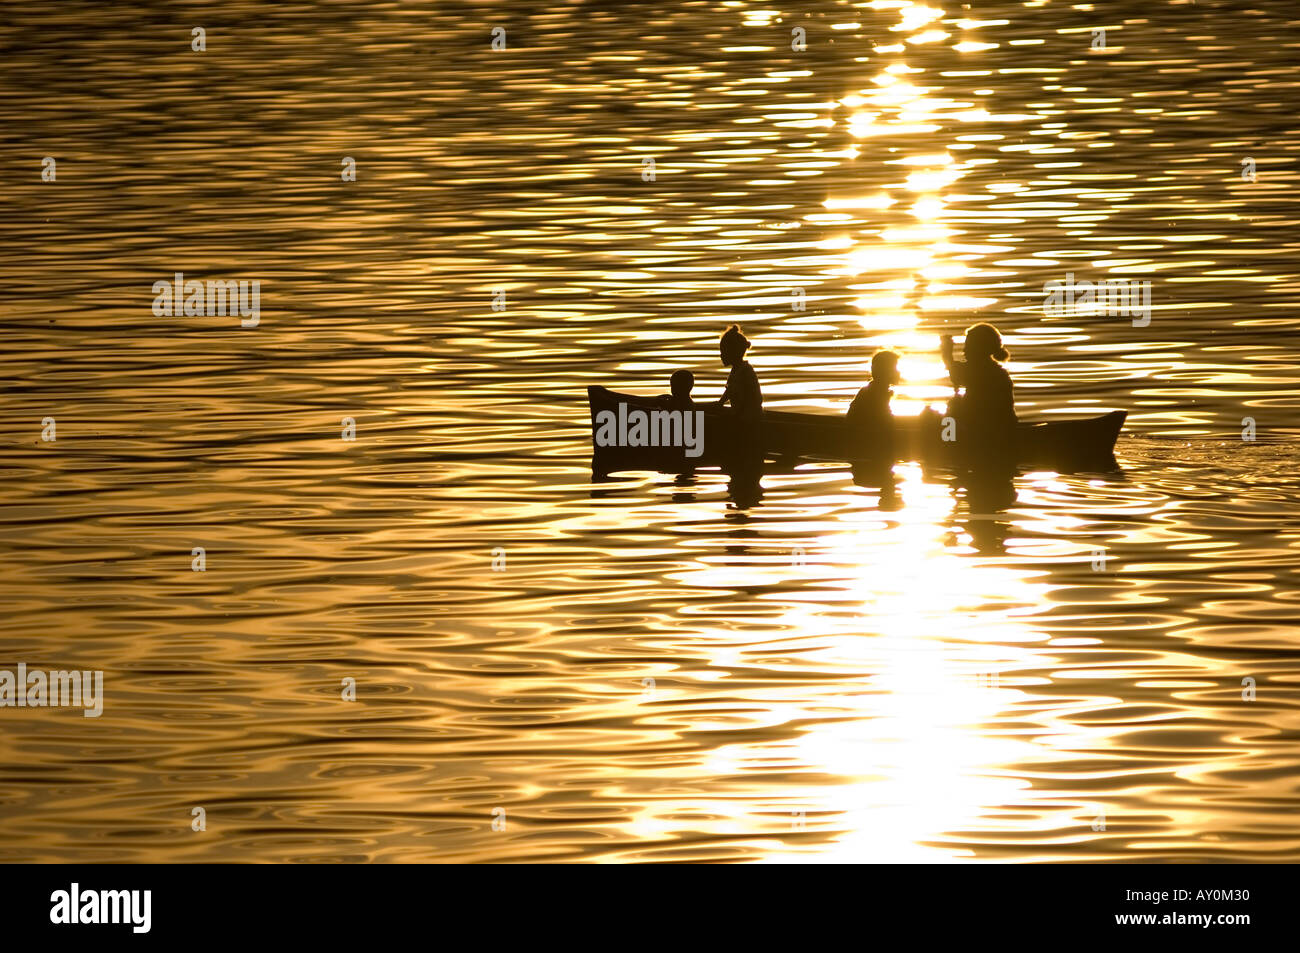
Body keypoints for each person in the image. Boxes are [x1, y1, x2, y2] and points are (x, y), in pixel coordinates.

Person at [941, 323, 1017, 459]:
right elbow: (955, 371)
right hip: (999, 427)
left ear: (979, 349)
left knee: (946, 417)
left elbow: (955, 372)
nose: (964, 351)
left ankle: (948, 443)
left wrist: (946, 352)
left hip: (983, 431)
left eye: (968, 346)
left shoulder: (982, 372)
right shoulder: (994, 370)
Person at [714, 324, 762, 421]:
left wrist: (732, 415)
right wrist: (719, 403)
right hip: (741, 414)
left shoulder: (745, 372)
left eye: (723, 352)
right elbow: (729, 390)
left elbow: (748, 400)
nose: (721, 355)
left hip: (749, 418)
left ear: (733, 352)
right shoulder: (737, 369)